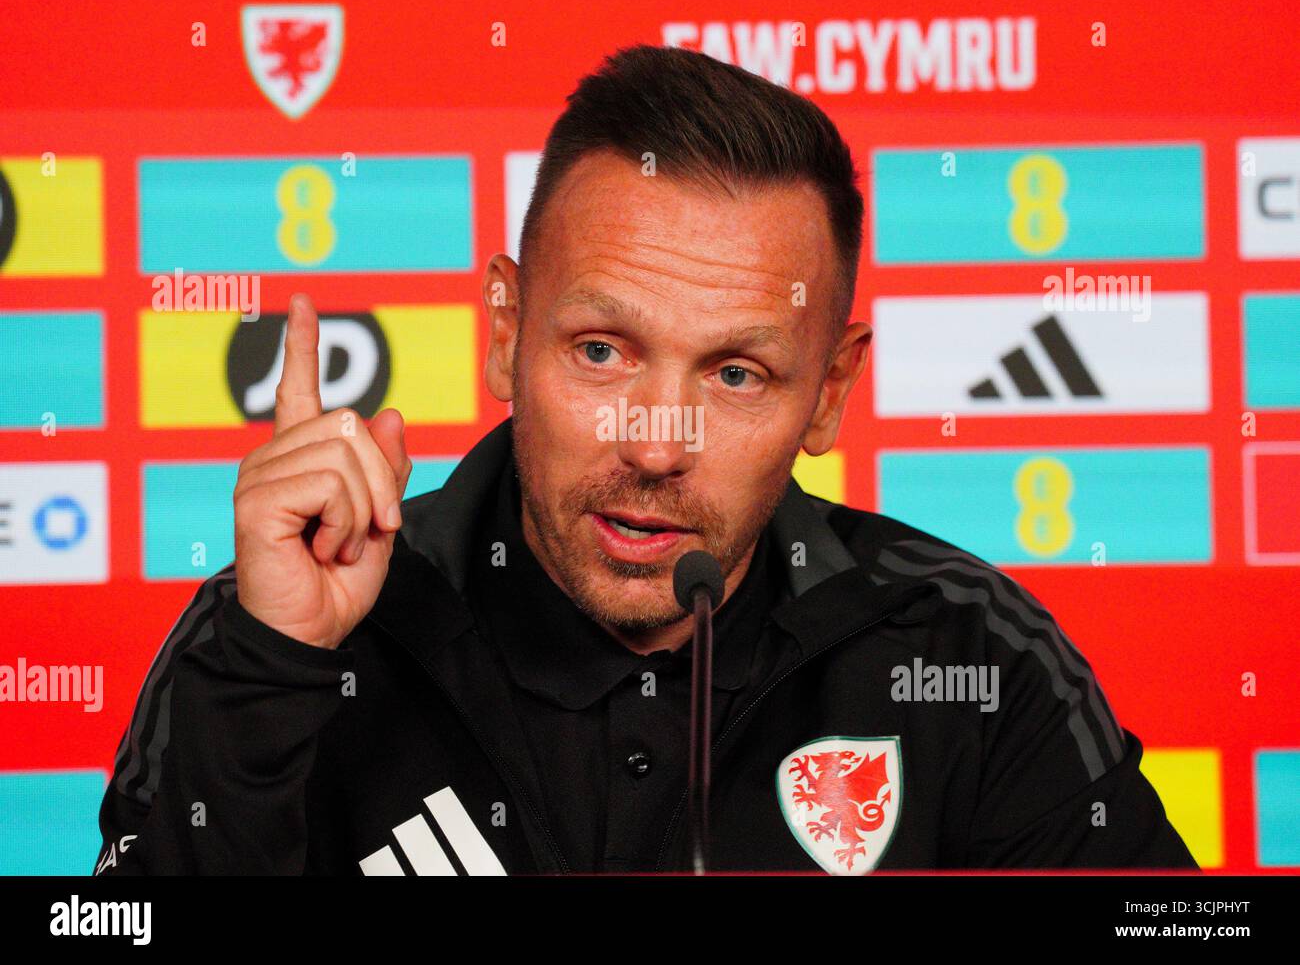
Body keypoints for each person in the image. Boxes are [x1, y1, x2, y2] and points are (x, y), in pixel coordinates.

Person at [94, 44, 1196, 876]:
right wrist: (271, 671)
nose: (656, 444)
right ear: (501, 330)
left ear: (829, 393)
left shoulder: (971, 653)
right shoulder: (274, 636)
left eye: (735, 375)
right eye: (602, 349)